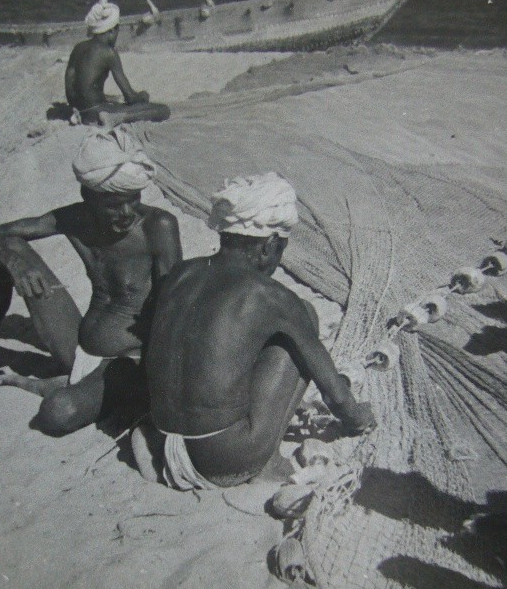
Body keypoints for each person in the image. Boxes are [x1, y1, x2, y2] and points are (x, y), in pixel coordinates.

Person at [0, 129, 181, 436]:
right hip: (77, 347)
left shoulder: (158, 226)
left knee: (58, 415)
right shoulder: (74, 218)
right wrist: (15, 263)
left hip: (126, 363)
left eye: (133, 200)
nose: (126, 213)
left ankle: (69, 388)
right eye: (113, 205)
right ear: (88, 197)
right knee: (5, 249)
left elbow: (174, 308)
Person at [137, 173, 376, 489]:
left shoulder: (181, 274)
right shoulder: (270, 295)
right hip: (222, 459)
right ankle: (267, 459)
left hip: (157, 442)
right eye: (280, 250)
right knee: (302, 317)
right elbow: (336, 396)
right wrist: (359, 417)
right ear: (270, 247)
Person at [64, 0, 171, 127]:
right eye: (117, 31)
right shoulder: (109, 53)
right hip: (96, 113)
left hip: (79, 111)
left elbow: (71, 87)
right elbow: (130, 97)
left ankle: (100, 114)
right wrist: (142, 96)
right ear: (111, 30)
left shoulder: (78, 48)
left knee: (113, 102)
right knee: (163, 110)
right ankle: (115, 118)